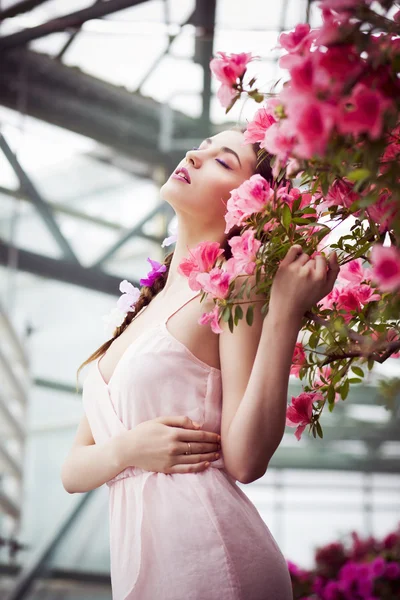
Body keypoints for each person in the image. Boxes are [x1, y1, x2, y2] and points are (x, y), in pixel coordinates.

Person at [61, 128, 340, 600]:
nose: (194, 153)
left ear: (251, 206)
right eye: (204, 146)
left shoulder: (235, 289)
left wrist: (284, 314)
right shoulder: (141, 306)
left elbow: (246, 459)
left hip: (208, 559)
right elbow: (72, 471)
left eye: (222, 161)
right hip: (146, 566)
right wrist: (130, 448)